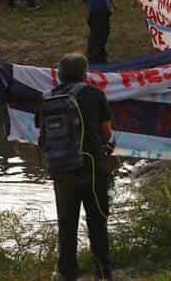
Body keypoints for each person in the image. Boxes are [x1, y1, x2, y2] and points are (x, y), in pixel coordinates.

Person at [38, 53, 114, 280]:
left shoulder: (46, 98)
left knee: (66, 224)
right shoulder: (94, 94)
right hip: (91, 168)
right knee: (97, 221)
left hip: (61, 170)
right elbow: (106, 132)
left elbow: (43, 134)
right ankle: (102, 272)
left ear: (60, 75)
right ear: (84, 73)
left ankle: (67, 273)